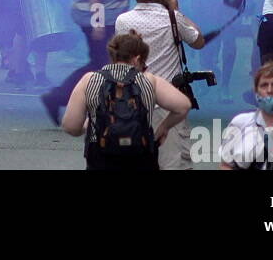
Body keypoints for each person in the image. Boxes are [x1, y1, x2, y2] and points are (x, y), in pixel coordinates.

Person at [62, 31, 191, 171]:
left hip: (100, 155)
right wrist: (164, 128)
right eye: (144, 64)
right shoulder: (150, 81)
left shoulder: (89, 80)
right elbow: (183, 106)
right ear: (137, 59)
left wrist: (89, 125)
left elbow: (70, 126)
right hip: (140, 155)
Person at [116, 0, 205, 170]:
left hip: (134, 99)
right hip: (168, 102)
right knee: (174, 163)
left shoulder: (122, 20)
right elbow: (198, 40)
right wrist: (176, 11)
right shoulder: (172, 18)